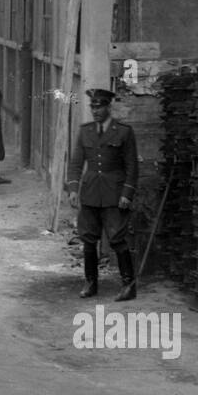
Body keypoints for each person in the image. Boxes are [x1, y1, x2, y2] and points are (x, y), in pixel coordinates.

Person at [66, 88, 139, 301]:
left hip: (114, 194)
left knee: (117, 238)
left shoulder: (124, 132)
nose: (95, 111)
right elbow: (76, 163)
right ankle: (90, 282)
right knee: (88, 239)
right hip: (90, 193)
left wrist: (127, 193)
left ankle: (128, 284)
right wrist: (72, 188)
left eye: (100, 107)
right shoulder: (85, 131)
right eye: (93, 107)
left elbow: (132, 166)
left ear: (109, 107)